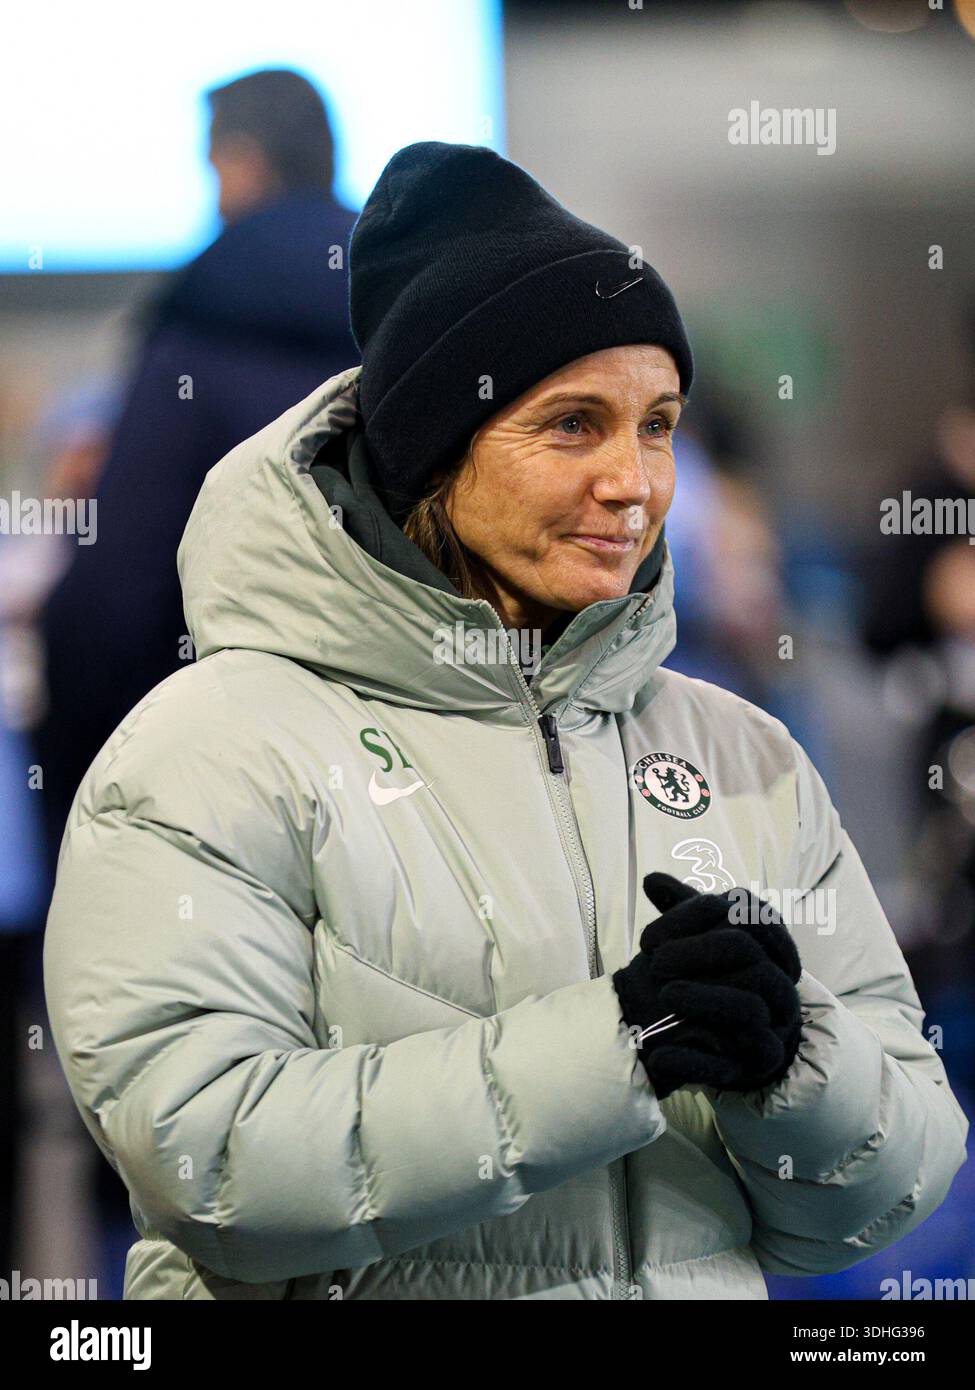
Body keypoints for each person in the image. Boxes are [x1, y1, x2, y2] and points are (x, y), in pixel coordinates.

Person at [43, 142, 967, 1301]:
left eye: (659, 422)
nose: (634, 481)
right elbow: (209, 1160)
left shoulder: (741, 756)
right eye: (573, 424)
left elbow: (895, 1184)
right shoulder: (207, 754)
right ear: (434, 448)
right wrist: (615, 1043)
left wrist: (796, 1063)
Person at [35, 68, 359, 879]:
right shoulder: (406, 304)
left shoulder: (200, 313)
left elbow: (111, 596)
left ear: (243, 162)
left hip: (214, 770)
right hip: (395, 760)